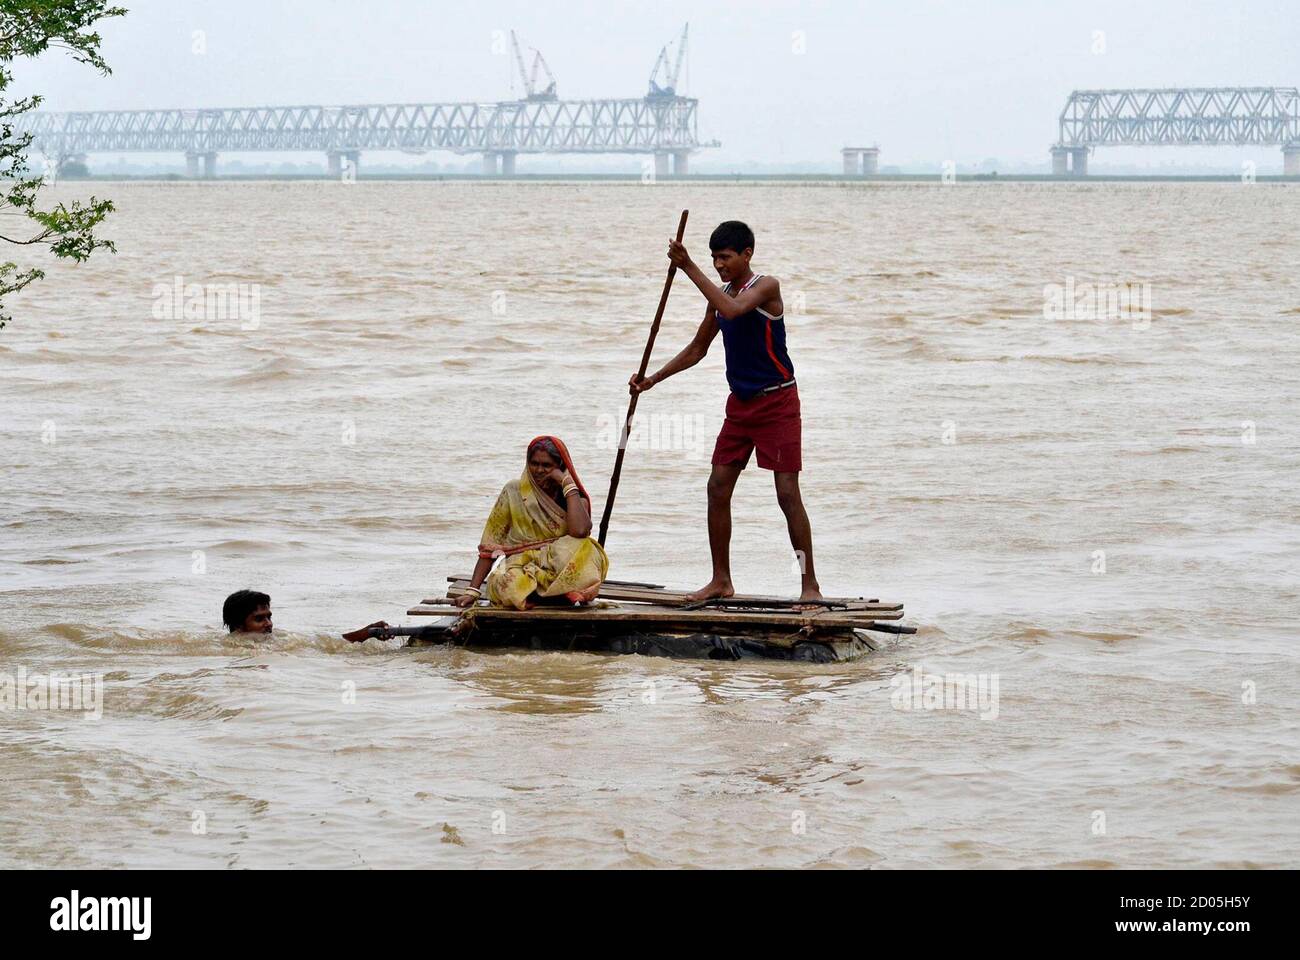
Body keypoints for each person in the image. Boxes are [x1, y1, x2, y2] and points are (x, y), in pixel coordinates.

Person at [628, 220, 824, 608]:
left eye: (726, 257)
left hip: (779, 402)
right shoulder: (719, 296)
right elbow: (698, 348)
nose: (719, 265)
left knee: (787, 494)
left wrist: (688, 268)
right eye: (714, 258)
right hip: (741, 406)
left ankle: (810, 585)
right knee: (717, 486)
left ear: (747, 254)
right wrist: (653, 379)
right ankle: (721, 580)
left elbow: (734, 311)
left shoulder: (766, 287)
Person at [454, 435, 610, 610]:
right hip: (522, 567)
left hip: (556, 567)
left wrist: (566, 483)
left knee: (587, 549)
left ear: (560, 466)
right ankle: (549, 595)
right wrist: (472, 591)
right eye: (534, 464)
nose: (539, 470)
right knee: (508, 584)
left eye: (547, 465)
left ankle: (556, 592)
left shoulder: (572, 497)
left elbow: (580, 531)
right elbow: (490, 546)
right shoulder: (513, 491)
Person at [221, 589, 387, 643]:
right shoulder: (237, 647)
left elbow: (324, 643)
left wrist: (367, 632)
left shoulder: (277, 639)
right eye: (259, 619)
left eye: (269, 617)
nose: (269, 623)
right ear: (238, 625)